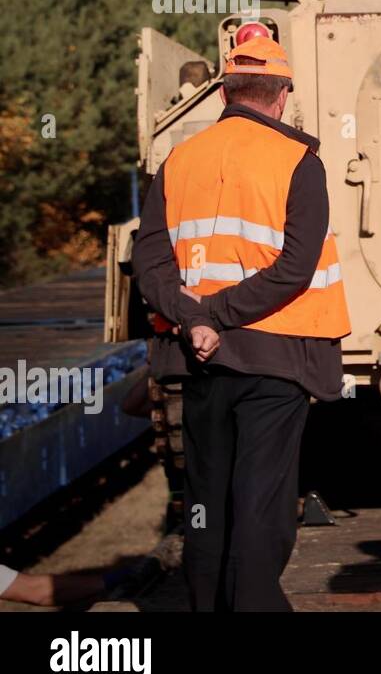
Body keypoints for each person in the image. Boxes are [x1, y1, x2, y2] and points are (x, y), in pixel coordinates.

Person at [133, 33, 350, 611]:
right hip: (277, 361)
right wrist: (218, 316)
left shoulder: (180, 159)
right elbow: (294, 270)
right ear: (281, 95)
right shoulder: (300, 161)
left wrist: (193, 318)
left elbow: (149, 261)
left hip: (201, 361)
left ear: (225, 92)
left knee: (208, 502)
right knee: (262, 504)